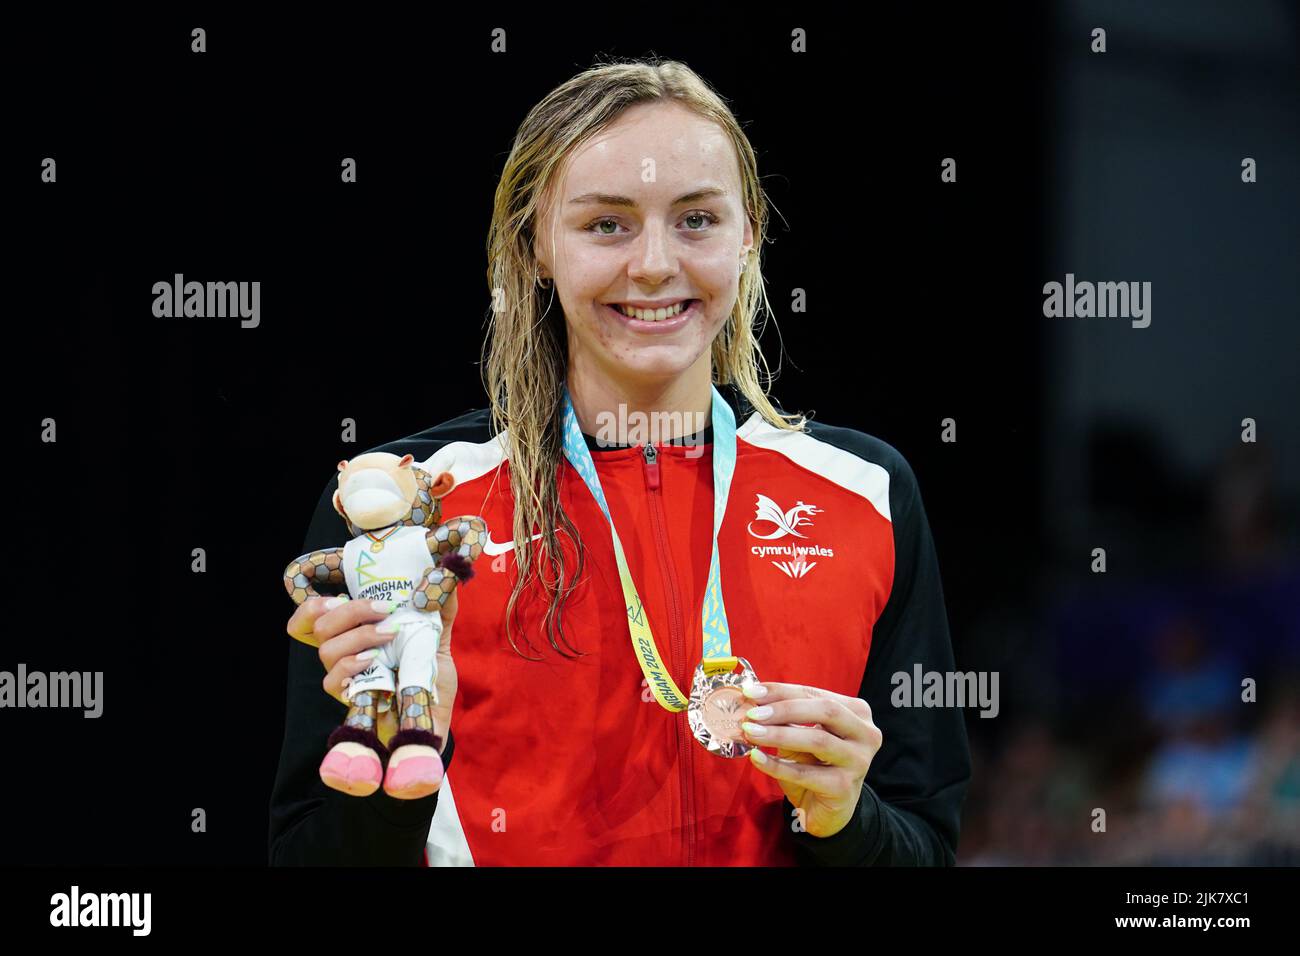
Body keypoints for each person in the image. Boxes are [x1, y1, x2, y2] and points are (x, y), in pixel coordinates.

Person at [269, 57, 971, 866]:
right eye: (606, 224)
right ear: (535, 244)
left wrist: (847, 818)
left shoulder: (865, 495)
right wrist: (408, 774)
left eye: (696, 220)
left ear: (750, 233)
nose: (653, 265)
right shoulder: (408, 504)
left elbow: (926, 845)